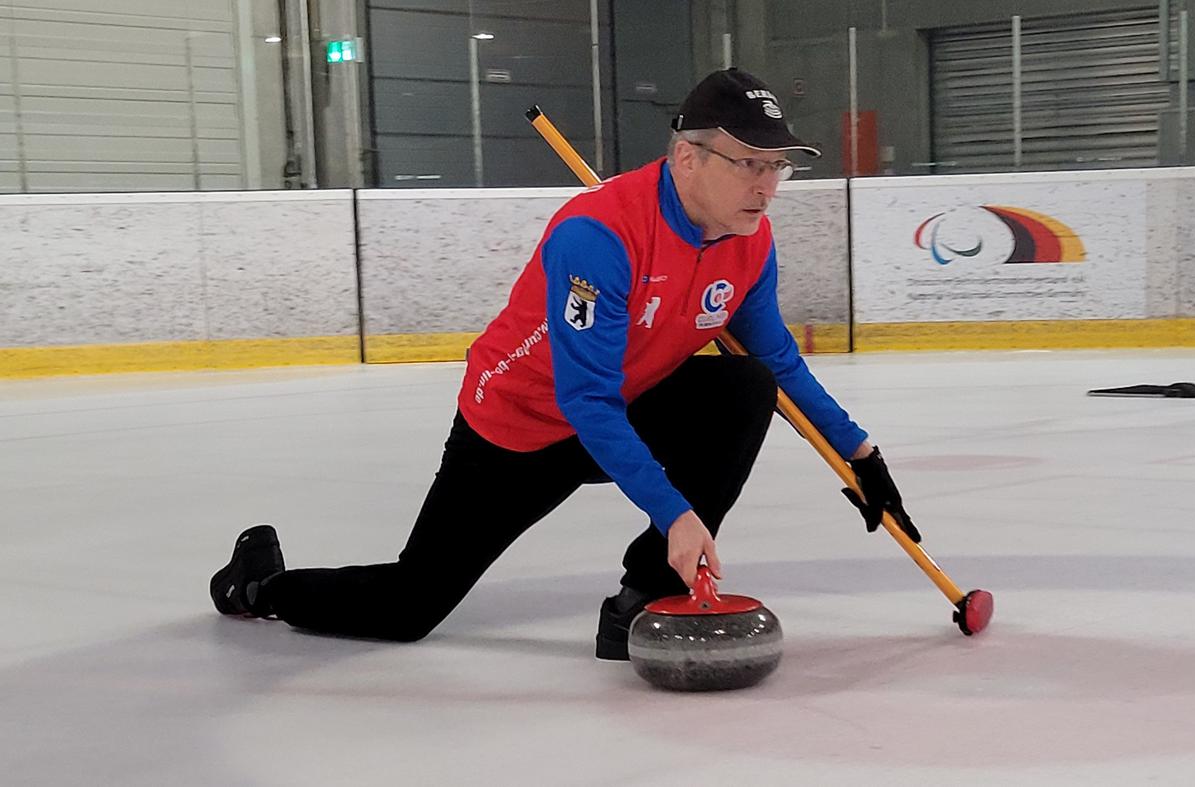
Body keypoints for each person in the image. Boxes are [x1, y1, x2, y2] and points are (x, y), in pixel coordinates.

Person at [210, 68, 919, 660]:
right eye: (748, 164)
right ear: (687, 158)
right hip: (517, 428)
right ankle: (260, 585)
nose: (766, 186)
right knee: (409, 605)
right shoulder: (598, 236)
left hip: (624, 405)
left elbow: (779, 361)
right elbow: (586, 399)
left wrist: (861, 453)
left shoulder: (749, 241)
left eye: (776, 166)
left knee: (745, 386)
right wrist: (675, 513)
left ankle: (643, 597)